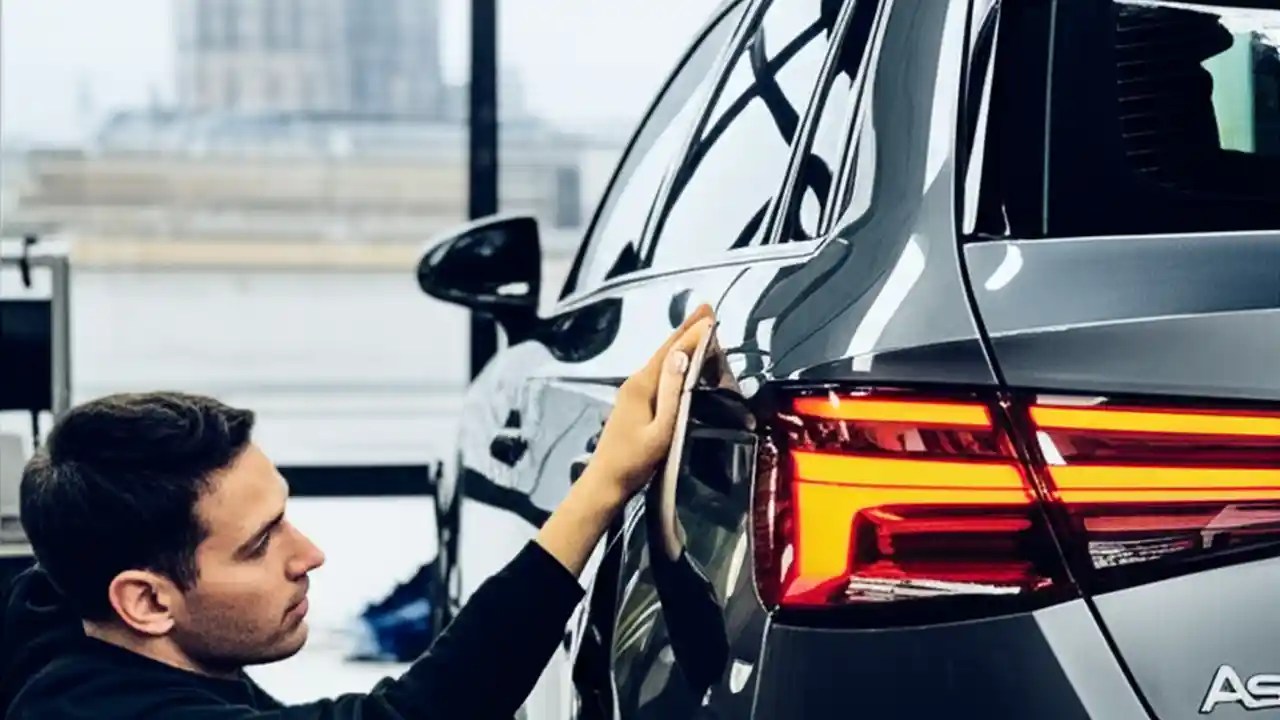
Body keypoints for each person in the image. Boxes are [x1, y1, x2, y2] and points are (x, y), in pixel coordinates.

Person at [0, 306, 715, 720]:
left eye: (283, 515)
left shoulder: (69, 600)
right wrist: (602, 485)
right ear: (146, 601)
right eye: (258, 546)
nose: (308, 554)